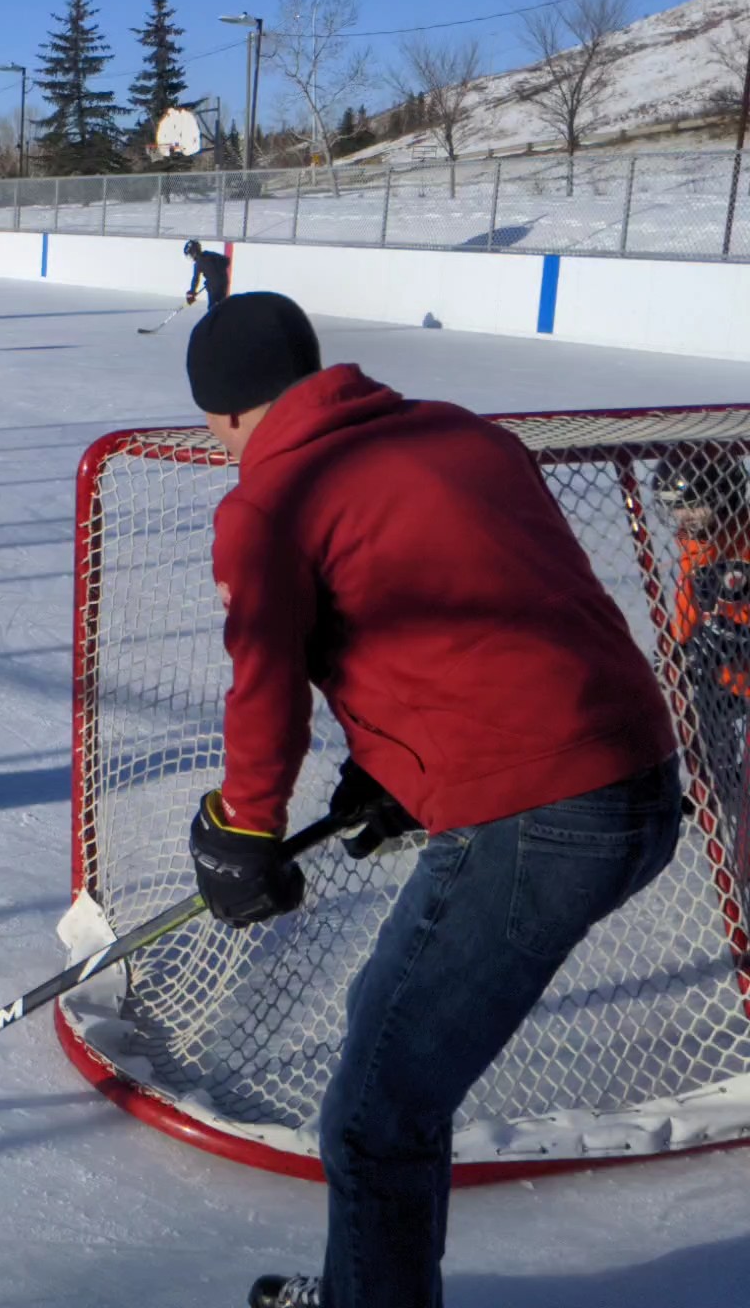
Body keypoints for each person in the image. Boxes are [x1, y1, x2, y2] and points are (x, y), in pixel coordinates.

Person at [180, 293, 681, 1308]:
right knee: (386, 1038)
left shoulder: (270, 501)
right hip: (641, 783)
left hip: (538, 819)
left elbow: (264, 685)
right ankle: (369, 1284)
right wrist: (397, 769)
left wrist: (243, 829)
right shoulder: (461, 433)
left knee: (376, 1111)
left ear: (226, 411)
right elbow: (506, 613)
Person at [656, 451, 750, 819]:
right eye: (677, 507)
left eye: (695, 504)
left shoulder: (742, 539)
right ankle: (723, 787)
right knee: (705, 721)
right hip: (726, 673)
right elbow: (688, 605)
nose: (685, 516)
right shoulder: (693, 549)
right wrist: (678, 646)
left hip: (738, 656)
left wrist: (736, 632)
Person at [183, 238, 230, 309]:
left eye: (190, 254)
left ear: (194, 252)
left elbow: (195, 279)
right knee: (221, 306)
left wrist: (192, 292)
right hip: (223, 283)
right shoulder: (209, 254)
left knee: (212, 308)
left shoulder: (199, 263)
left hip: (214, 288)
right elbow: (226, 260)